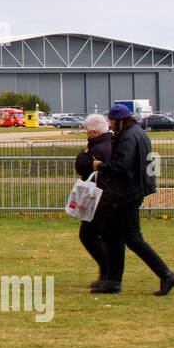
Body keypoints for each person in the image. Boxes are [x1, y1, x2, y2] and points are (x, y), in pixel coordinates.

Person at [93, 103, 174, 295]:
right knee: (115, 236)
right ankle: (113, 281)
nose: (110, 124)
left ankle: (166, 275)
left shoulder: (128, 137)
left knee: (133, 238)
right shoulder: (137, 133)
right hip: (133, 190)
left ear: (120, 121)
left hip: (128, 193)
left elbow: (122, 164)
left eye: (111, 121)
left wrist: (101, 165)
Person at [73, 114, 115, 289]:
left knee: (88, 234)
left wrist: (85, 153)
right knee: (107, 236)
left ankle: (107, 272)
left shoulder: (98, 149)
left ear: (95, 132)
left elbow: (81, 165)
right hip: (111, 197)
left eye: (88, 133)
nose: (87, 135)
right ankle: (109, 273)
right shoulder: (113, 144)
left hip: (100, 198)